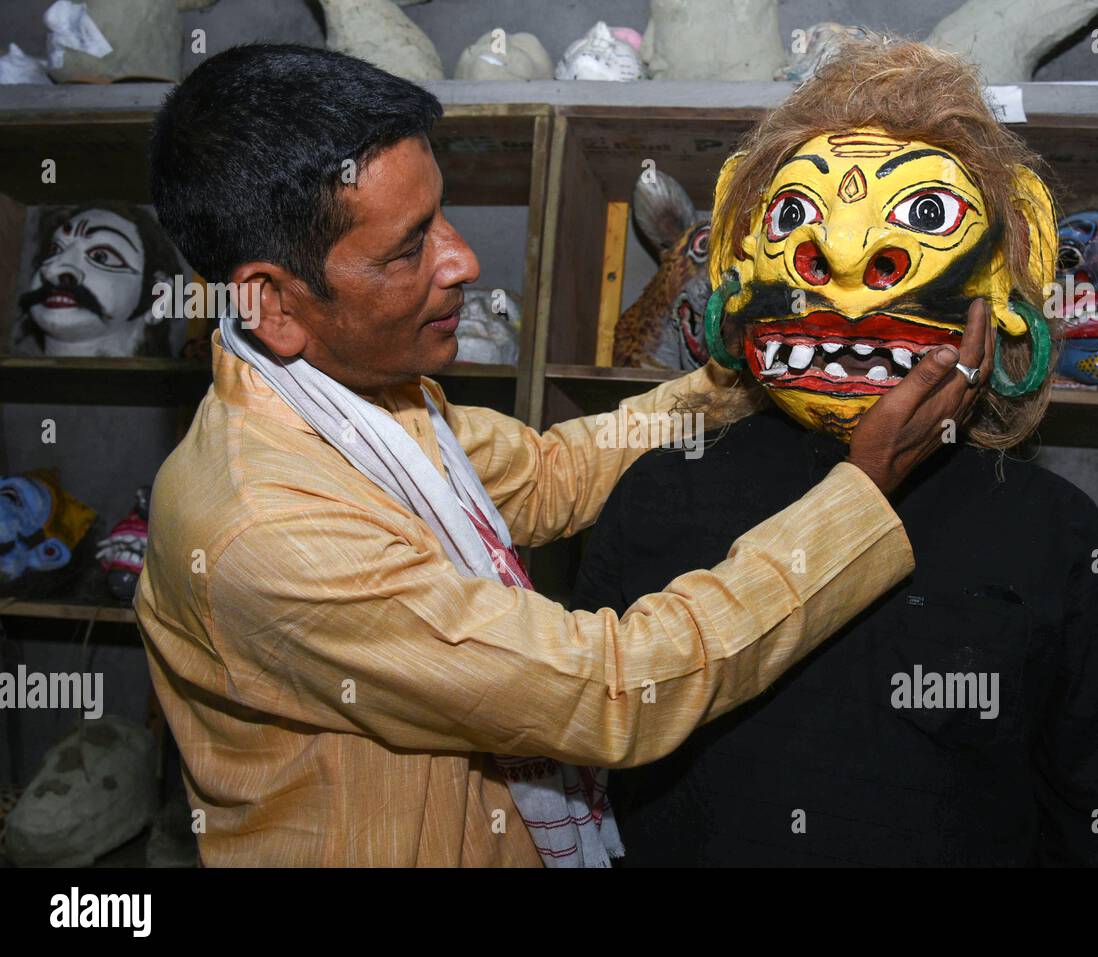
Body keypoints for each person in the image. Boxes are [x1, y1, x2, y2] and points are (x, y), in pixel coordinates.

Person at [134, 43, 988, 867]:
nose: (463, 261)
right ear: (272, 303)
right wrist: (860, 492)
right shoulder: (266, 529)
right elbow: (610, 688)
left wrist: (732, 370)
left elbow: (551, 474)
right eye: (408, 248)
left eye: (441, 215)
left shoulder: (355, 395)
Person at [573, 35, 1098, 866]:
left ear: (1004, 277)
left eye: (925, 213)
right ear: (742, 266)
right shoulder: (656, 494)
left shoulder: (1058, 532)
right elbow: (577, 788)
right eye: (796, 215)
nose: (847, 253)